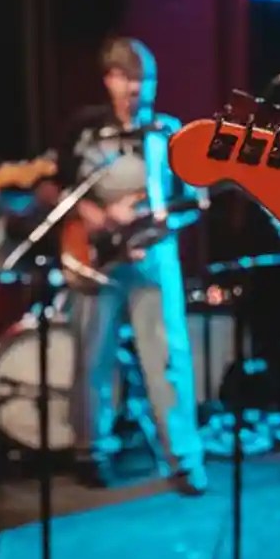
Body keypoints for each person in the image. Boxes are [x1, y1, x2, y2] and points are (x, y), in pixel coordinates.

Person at [60, 36, 208, 494]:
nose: (136, 90)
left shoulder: (169, 132)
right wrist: (99, 217)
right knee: (92, 354)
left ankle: (182, 457)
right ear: (109, 80)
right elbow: (55, 189)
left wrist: (160, 222)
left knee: (167, 353)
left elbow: (192, 200)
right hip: (97, 253)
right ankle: (91, 449)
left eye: (145, 80)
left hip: (154, 253)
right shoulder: (84, 132)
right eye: (126, 79)